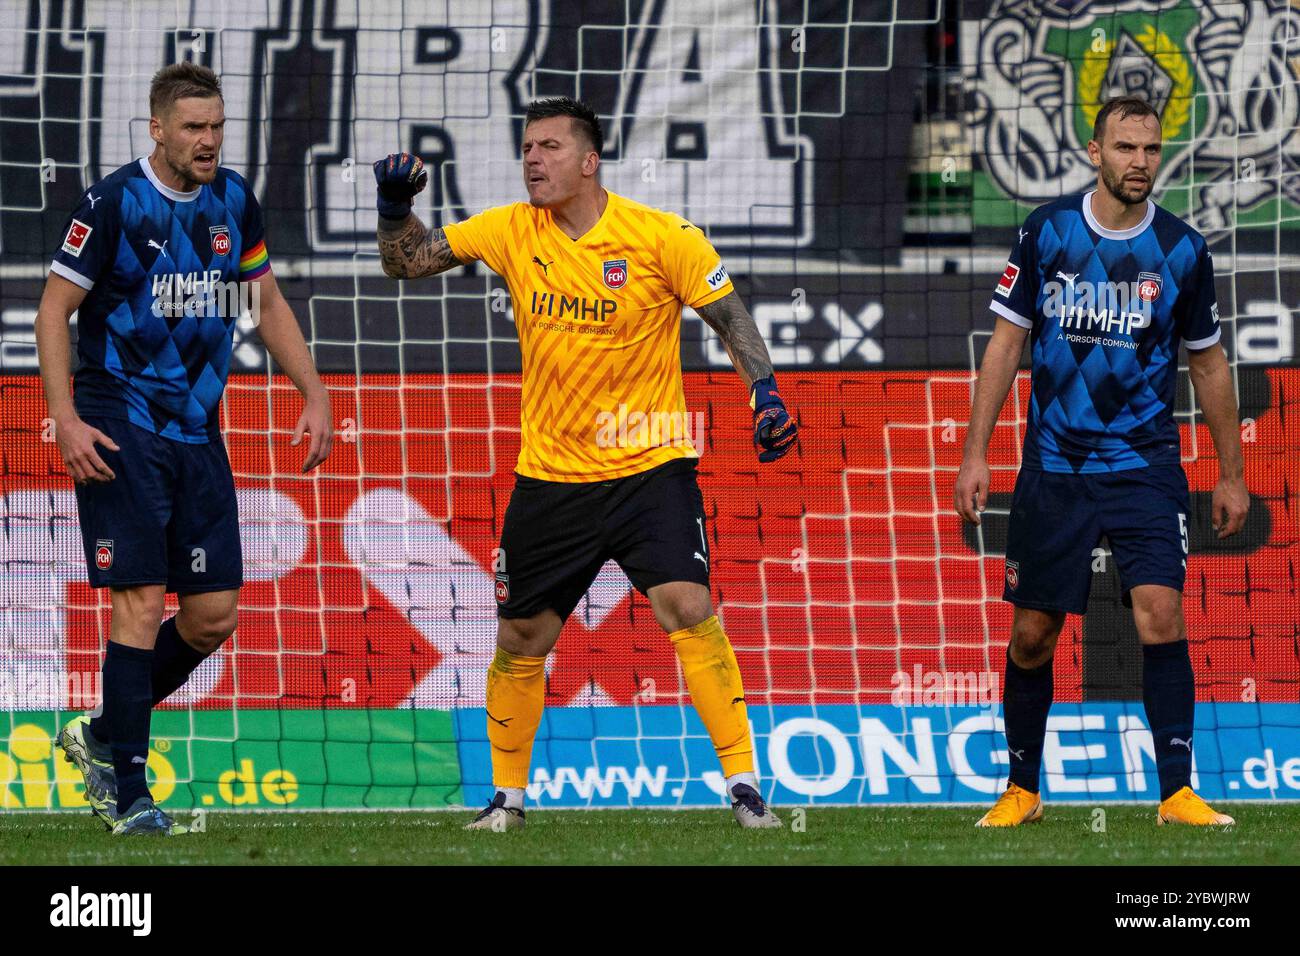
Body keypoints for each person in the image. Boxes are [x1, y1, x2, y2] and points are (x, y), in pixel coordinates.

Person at [373, 97, 798, 829]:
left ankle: (744, 785)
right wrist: (392, 206)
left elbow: (729, 317)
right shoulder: (510, 229)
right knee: (519, 640)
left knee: (689, 608)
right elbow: (406, 264)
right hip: (552, 479)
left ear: (589, 160)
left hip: (650, 467)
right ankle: (507, 799)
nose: (532, 160)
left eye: (548, 148)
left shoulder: (662, 237)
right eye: (527, 148)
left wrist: (764, 391)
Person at [37, 62, 333, 835]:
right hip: (119, 421)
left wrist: (314, 391)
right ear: (157, 128)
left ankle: (103, 733)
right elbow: (52, 313)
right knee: (138, 602)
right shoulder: (111, 204)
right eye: (194, 127)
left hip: (200, 433)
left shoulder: (233, 199)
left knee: (211, 617)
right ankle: (128, 789)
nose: (208, 140)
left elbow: (262, 298)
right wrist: (64, 418)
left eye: (217, 126)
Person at [954, 94, 1248, 827]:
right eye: (1125, 148)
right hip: (1055, 464)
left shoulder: (1184, 250)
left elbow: (1209, 366)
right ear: (1095, 152)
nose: (1139, 163)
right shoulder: (1047, 231)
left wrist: (1231, 471)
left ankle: (1176, 792)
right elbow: (1005, 344)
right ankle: (1022, 788)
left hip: (1145, 464)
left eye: (1150, 150)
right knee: (1033, 634)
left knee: (1162, 614)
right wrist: (973, 454)